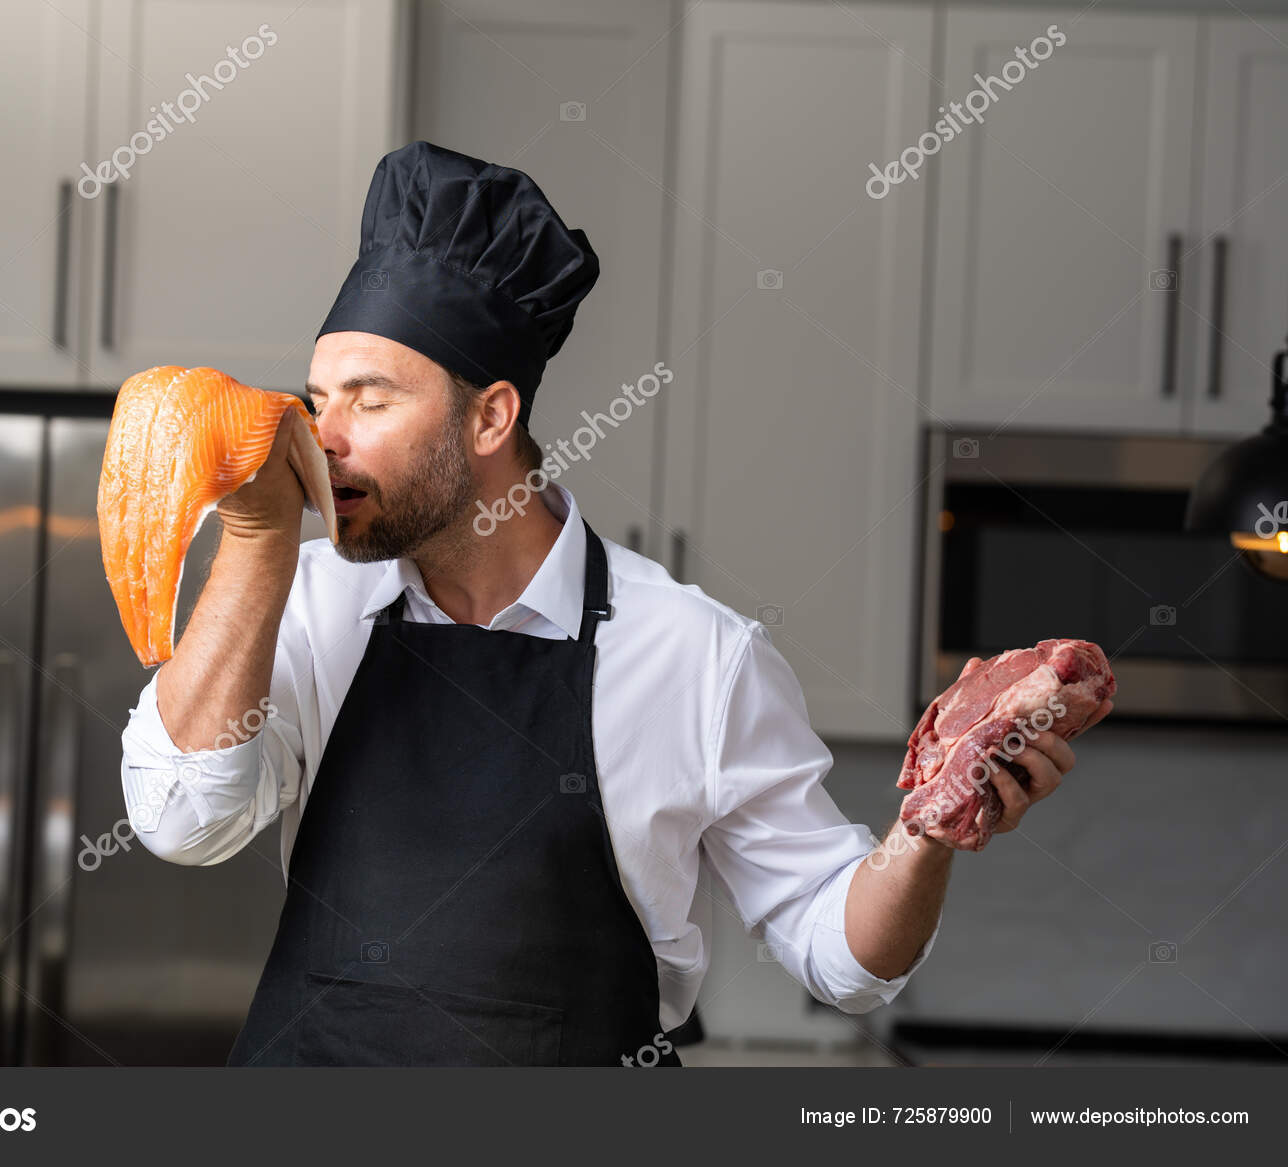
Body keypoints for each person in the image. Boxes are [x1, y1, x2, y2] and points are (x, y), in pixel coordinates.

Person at [118, 140, 1111, 1067]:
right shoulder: (307, 605)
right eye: (315, 397)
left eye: (369, 400)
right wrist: (254, 541)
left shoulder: (692, 654)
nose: (321, 435)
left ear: (491, 417)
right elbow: (177, 823)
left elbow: (845, 960)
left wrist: (927, 834)